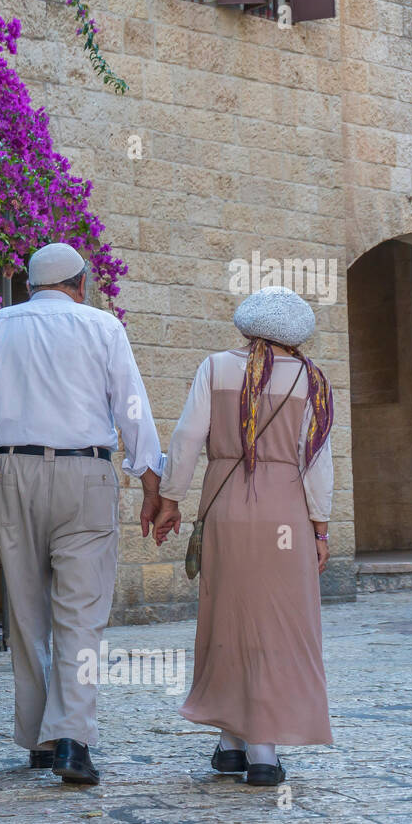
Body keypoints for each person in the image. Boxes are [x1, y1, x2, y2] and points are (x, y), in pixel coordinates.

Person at [0, 242, 164, 785]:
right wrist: (151, 483)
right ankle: (73, 743)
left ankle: (39, 738)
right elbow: (132, 409)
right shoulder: (103, 328)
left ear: (31, 285)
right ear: (81, 283)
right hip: (86, 474)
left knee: (26, 611)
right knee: (81, 613)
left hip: (15, 474)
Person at [151, 286, 335, 786]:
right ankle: (262, 752)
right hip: (286, 512)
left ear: (246, 324)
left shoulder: (215, 367)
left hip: (227, 504)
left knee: (226, 619)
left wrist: (171, 499)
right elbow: (316, 459)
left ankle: (231, 743)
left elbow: (187, 437)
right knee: (279, 624)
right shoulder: (311, 379)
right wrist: (320, 525)